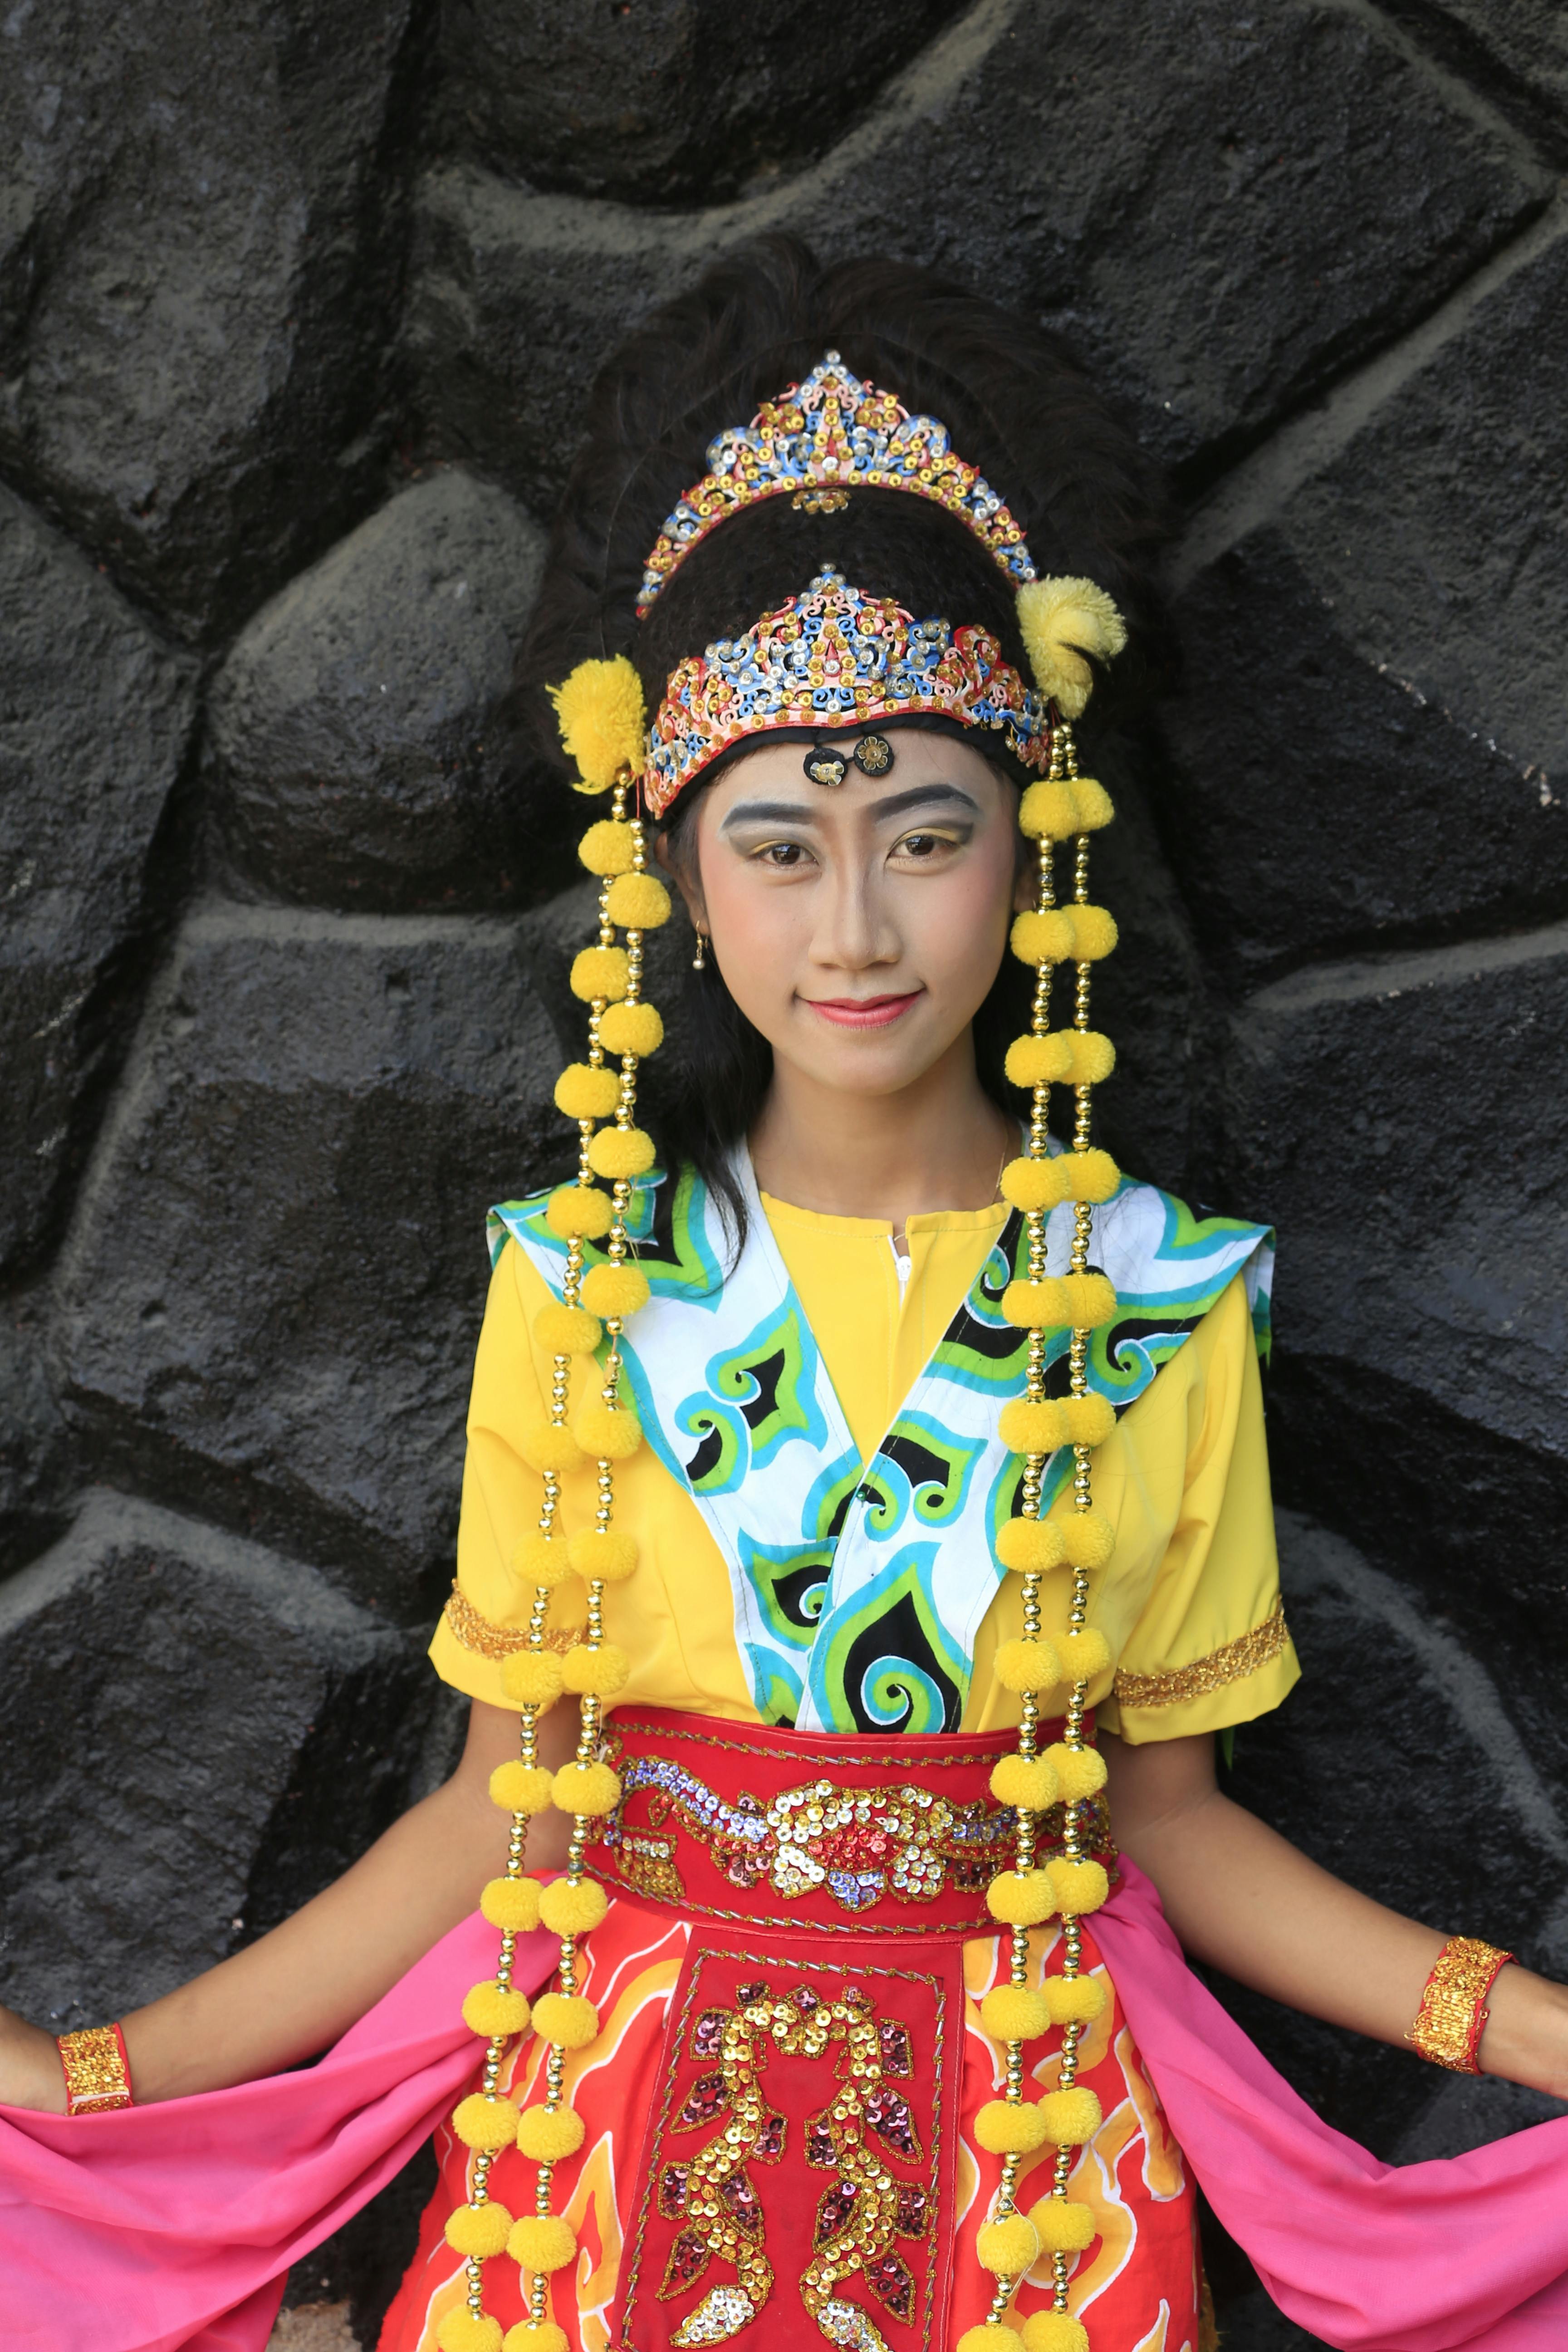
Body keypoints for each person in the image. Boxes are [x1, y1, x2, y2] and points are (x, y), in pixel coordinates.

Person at [4, 240, 1568, 2352]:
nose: (855, 926)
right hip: (596, 2179)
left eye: (925, 836)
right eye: (776, 845)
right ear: (673, 866)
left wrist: (1541, 2034)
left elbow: (1174, 1838)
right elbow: (494, 1812)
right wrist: (108, 2079)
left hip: (1024, 2189)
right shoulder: (582, 1286)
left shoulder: (1151, 1303)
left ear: (1034, 845)